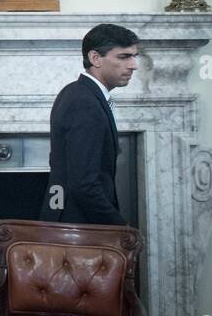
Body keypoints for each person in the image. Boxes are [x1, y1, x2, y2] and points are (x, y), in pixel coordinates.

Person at [39, 23, 139, 227]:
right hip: (77, 229)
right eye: (123, 57)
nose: (133, 65)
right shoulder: (84, 102)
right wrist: (121, 229)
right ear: (95, 58)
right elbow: (84, 185)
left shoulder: (75, 92)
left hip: (70, 223)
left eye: (134, 56)